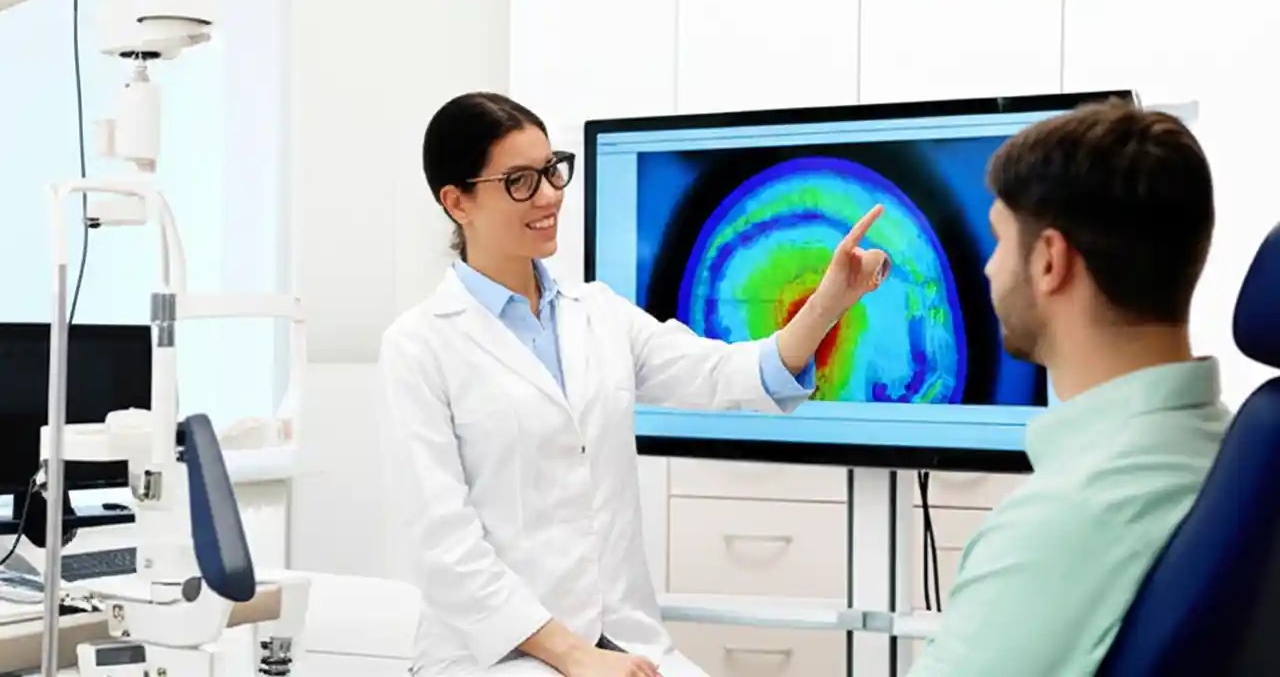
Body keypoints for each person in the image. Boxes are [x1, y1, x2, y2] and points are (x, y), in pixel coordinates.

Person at [378, 91, 891, 677]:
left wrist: (828, 304)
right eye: (520, 180)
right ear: (457, 201)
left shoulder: (596, 312)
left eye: (551, 170)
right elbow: (444, 550)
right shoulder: (419, 346)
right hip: (494, 656)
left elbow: (726, 374)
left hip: (622, 642)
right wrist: (576, 658)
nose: (549, 195)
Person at [908, 99, 1228, 676]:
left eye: (999, 241)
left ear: (1051, 261)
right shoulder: (1231, 459)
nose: (988, 268)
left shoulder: (1067, 524)